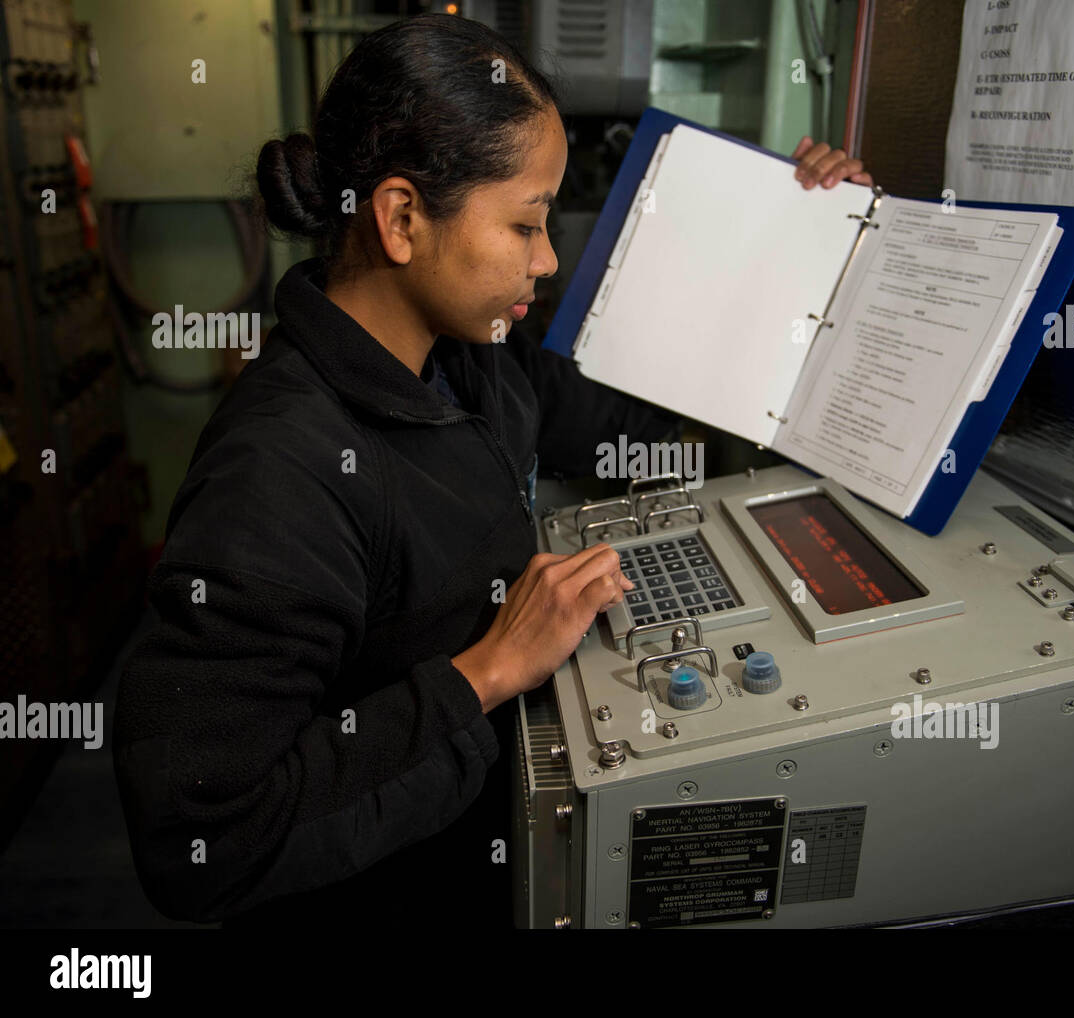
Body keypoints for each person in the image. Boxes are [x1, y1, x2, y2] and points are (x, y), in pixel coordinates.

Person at [112, 12, 872, 928]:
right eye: (524, 224)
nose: (546, 259)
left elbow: (637, 436)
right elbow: (200, 841)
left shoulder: (474, 359)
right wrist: (488, 671)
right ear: (402, 219)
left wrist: (816, 243)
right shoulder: (279, 475)